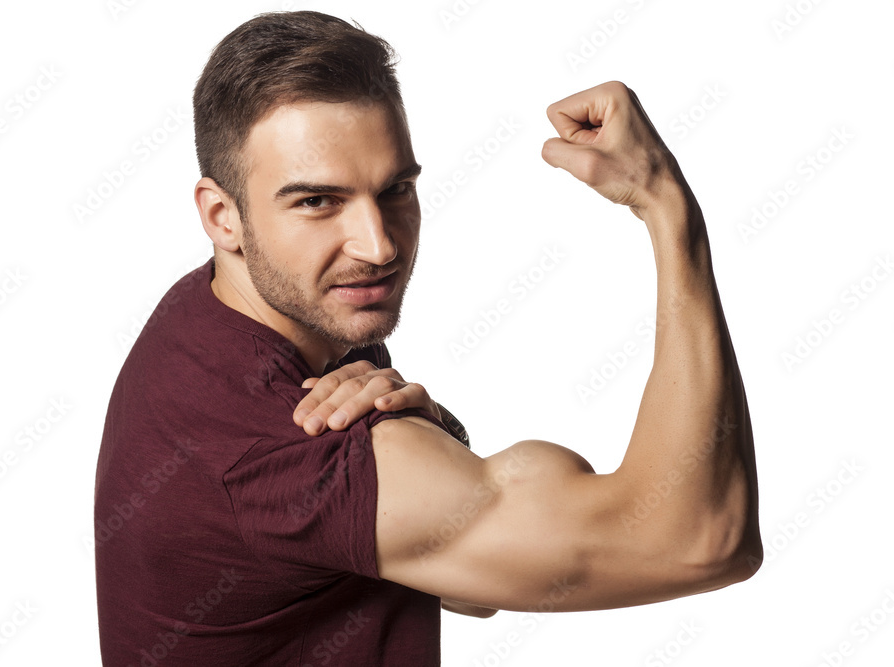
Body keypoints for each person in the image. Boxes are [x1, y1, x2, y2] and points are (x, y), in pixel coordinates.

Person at [93, 10, 762, 666]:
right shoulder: (285, 442)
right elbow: (700, 537)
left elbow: (463, 579)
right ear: (221, 214)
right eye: (317, 202)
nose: (377, 244)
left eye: (395, 190)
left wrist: (433, 432)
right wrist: (667, 205)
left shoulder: (230, 313)